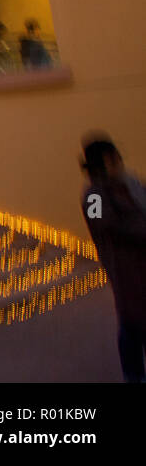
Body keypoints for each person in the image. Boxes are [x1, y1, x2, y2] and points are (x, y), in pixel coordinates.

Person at [80, 133, 146, 383]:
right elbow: (102, 223)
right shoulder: (95, 194)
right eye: (111, 158)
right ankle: (134, 375)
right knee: (132, 322)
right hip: (124, 266)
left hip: (141, 262)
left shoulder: (131, 184)